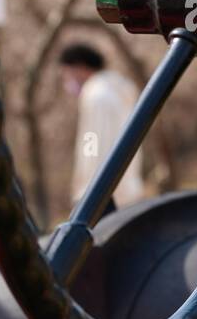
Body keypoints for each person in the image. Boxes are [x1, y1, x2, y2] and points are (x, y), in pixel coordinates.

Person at [58, 43, 146, 210]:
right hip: (128, 188)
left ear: (80, 68)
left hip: (105, 196)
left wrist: (85, 190)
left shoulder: (96, 96)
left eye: (66, 74)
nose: (66, 81)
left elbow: (92, 145)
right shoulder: (119, 90)